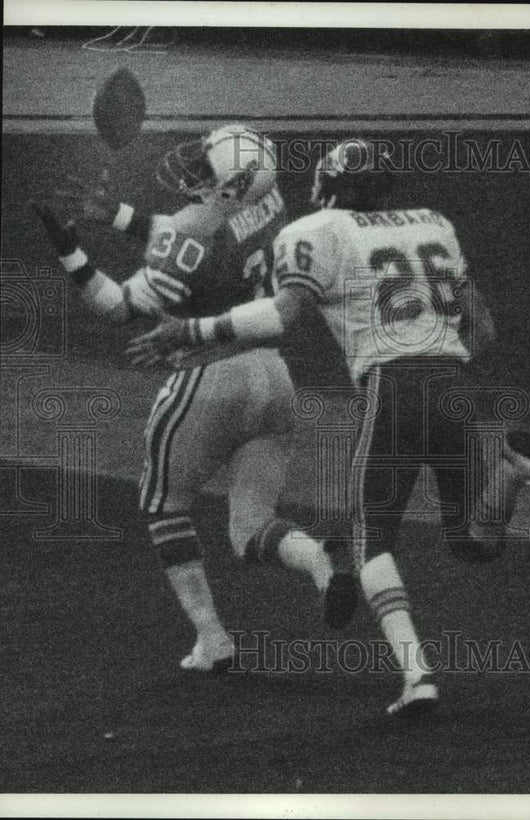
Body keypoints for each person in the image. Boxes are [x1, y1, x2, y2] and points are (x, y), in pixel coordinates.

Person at [126, 138, 530, 715]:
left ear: (331, 186)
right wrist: (435, 368)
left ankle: (417, 676)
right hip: (451, 383)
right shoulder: (434, 223)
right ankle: (515, 469)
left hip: (392, 388)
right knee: (472, 541)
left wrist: (190, 331)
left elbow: (281, 315)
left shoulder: (316, 230)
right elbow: (484, 330)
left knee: (371, 545)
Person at [32, 125, 357, 676]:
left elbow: (119, 306)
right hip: (273, 376)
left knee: (163, 504)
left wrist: (69, 250)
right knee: (250, 528)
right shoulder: (268, 200)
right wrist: (119, 216)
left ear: (232, 182)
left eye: (207, 167)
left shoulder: (188, 230)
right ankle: (321, 561)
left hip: (208, 377)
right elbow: (198, 239)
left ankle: (212, 638)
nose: (196, 171)